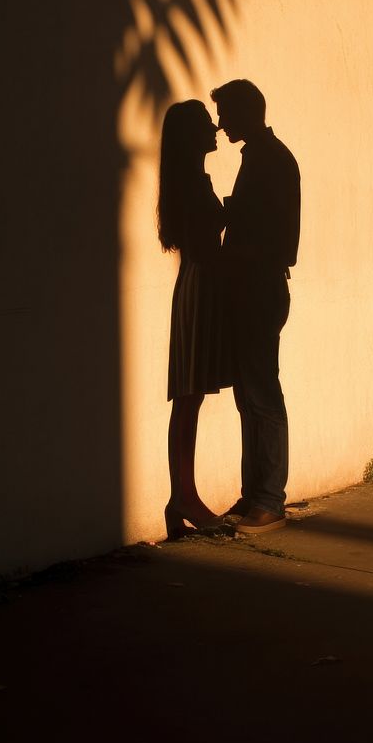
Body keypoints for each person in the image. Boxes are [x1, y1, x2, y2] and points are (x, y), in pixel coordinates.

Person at [210, 79, 301, 534]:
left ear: (248, 112)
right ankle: (255, 495)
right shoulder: (261, 157)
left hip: (260, 288)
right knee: (250, 394)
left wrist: (229, 251)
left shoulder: (271, 160)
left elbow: (277, 242)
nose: (221, 123)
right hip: (252, 288)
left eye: (226, 113)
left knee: (261, 393)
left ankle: (269, 499)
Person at [158, 100, 232, 539]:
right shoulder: (191, 183)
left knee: (190, 398)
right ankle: (183, 496)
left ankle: (181, 497)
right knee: (188, 398)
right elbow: (205, 241)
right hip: (200, 287)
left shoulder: (188, 180)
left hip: (197, 285)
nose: (216, 129)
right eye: (207, 124)